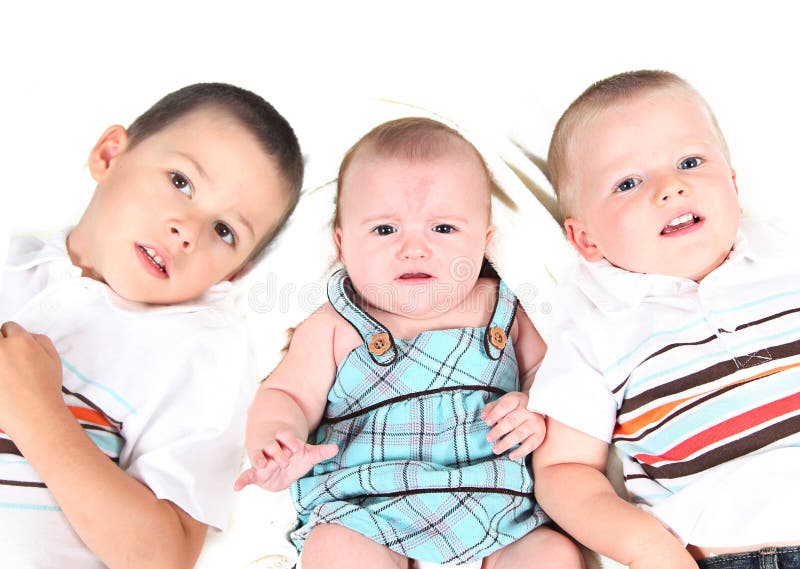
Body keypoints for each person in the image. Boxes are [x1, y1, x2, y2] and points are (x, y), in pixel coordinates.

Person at [235, 117, 584, 569]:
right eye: (385, 230)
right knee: (335, 550)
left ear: (484, 242)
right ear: (342, 246)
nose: (414, 249)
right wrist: (277, 439)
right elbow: (287, 394)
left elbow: (553, 377)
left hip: (497, 511)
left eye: (442, 229)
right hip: (366, 510)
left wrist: (533, 407)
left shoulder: (504, 309)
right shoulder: (336, 326)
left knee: (553, 554)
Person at [0, 82, 304, 568]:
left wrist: (36, 412)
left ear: (235, 273)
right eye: (181, 182)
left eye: (224, 231)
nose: (188, 230)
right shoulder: (10, 261)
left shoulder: (200, 349)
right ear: (109, 155)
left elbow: (163, 557)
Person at [530, 69, 800, 569]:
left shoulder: (787, 256)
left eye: (690, 162)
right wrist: (649, 549)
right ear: (585, 239)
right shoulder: (596, 323)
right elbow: (563, 468)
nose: (671, 187)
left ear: (734, 187)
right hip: (739, 553)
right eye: (628, 182)